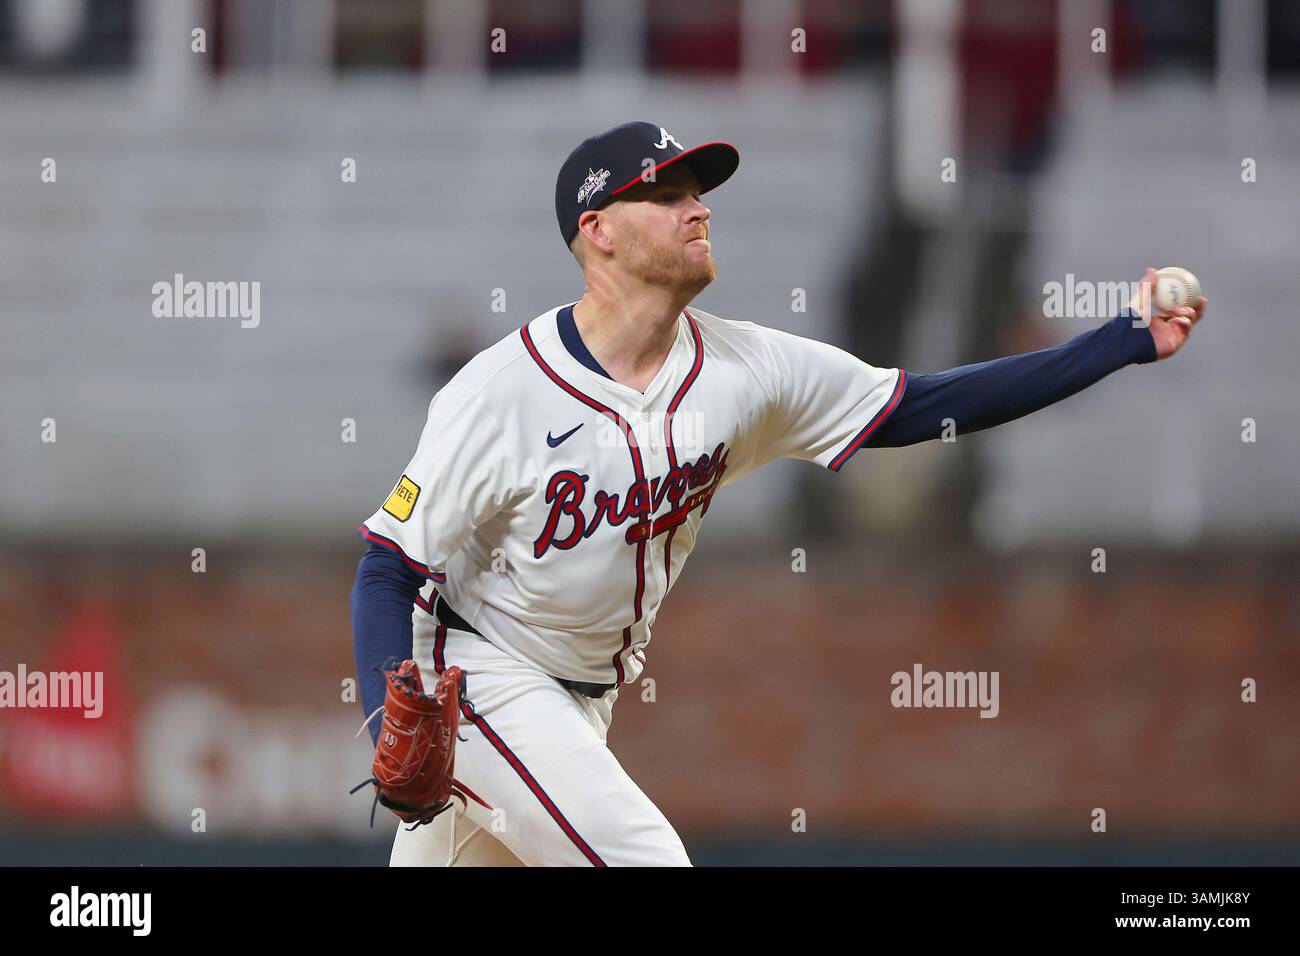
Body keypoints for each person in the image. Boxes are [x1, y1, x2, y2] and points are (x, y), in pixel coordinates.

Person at [350, 121, 1205, 866]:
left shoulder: (745, 372)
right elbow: (388, 563)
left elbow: (923, 406)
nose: (699, 207)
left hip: (582, 704)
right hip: (475, 675)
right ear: (598, 231)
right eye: (668, 193)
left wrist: (1120, 341)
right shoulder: (500, 391)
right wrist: (391, 702)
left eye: (699, 190)